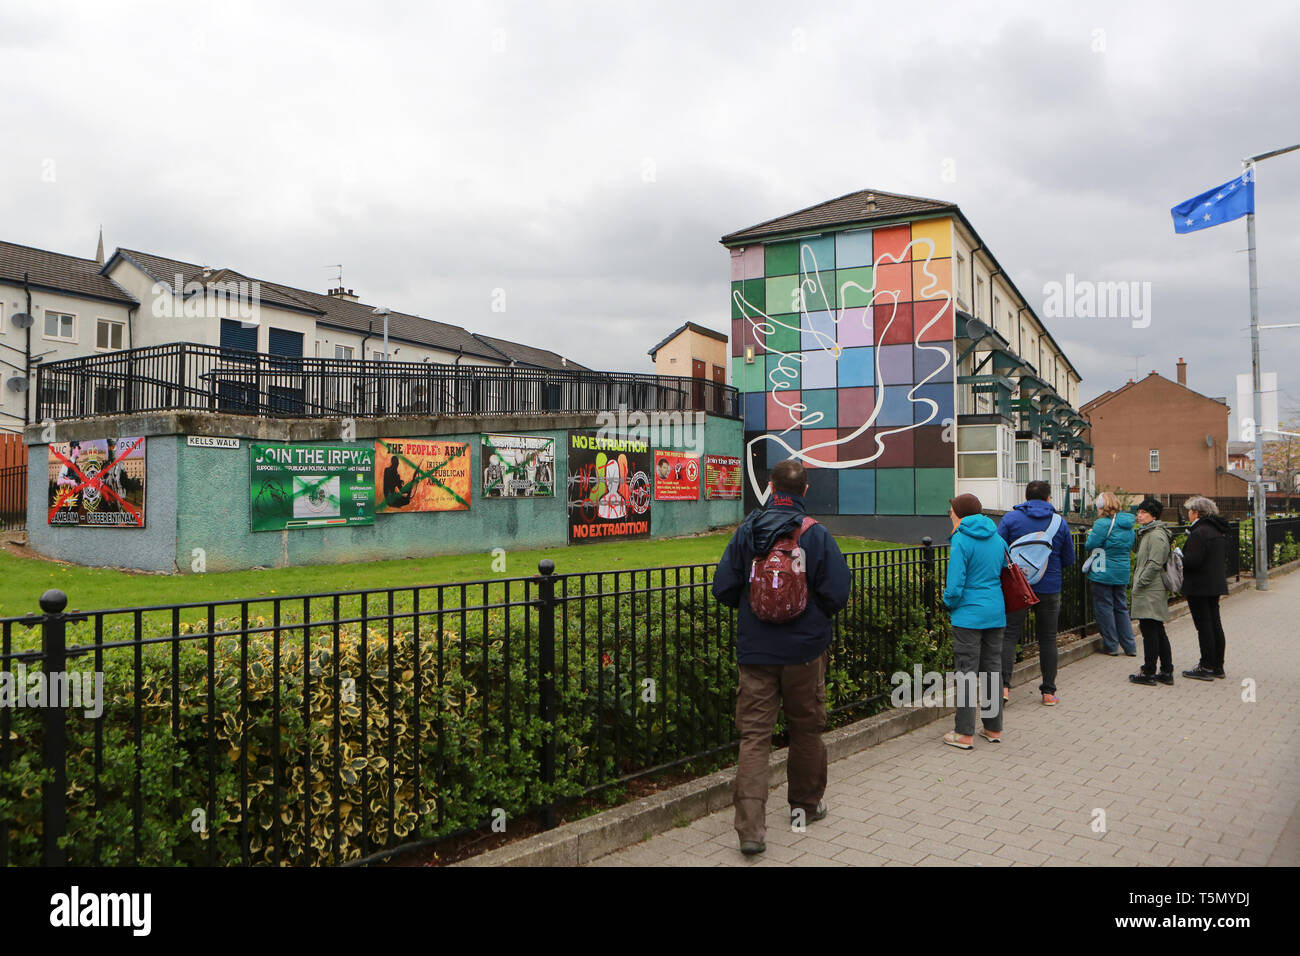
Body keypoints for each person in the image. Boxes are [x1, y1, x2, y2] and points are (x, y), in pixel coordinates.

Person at [711, 458, 850, 856]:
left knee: (754, 736)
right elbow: (838, 592)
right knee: (806, 730)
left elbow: (723, 588)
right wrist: (811, 617)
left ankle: (750, 831)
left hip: (756, 652)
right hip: (805, 652)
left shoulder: (747, 532)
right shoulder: (816, 535)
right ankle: (804, 807)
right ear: (805, 491)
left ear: (770, 488)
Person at [997, 480, 1076, 706]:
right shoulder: (1059, 522)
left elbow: (999, 549)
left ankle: (1003, 688)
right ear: (1049, 498)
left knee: (1009, 635)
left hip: (1018, 588)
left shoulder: (1011, 519)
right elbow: (1069, 559)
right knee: (1048, 639)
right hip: (1049, 587)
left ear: (1026, 497)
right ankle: (1048, 693)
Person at [941, 493, 1005, 749]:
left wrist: (949, 603)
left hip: (968, 615)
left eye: (951, 511)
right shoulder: (998, 537)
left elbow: (955, 584)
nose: (949, 516)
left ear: (958, 513)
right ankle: (992, 727)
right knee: (992, 670)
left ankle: (964, 732)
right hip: (996, 611)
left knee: (966, 672)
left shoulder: (961, 540)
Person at [1180, 496, 1230, 680]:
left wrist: (1180, 557)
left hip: (1199, 585)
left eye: (1190, 511)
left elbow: (1193, 561)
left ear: (1196, 512)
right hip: (1215, 583)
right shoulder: (1218, 530)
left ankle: (1206, 665)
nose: (1188, 514)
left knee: (1204, 626)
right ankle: (1218, 665)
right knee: (1215, 624)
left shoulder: (1199, 532)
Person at [1085, 492, 1137, 656]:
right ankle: (1130, 646)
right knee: (1121, 607)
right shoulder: (1128, 524)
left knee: (1104, 607)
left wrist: (1091, 534)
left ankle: (1111, 645)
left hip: (1103, 570)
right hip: (1122, 570)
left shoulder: (1102, 524)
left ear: (1101, 506)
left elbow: (1090, 545)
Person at [1129, 498, 1174, 686]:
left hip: (1151, 589)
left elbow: (1155, 563)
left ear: (1153, 515)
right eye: (1138, 512)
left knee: (1150, 631)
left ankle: (1149, 671)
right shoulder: (1149, 533)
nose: (1139, 516)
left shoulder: (1155, 535)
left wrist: (1140, 583)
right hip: (1152, 588)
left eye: (1143, 513)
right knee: (1157, 629)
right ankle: (1165, 671)